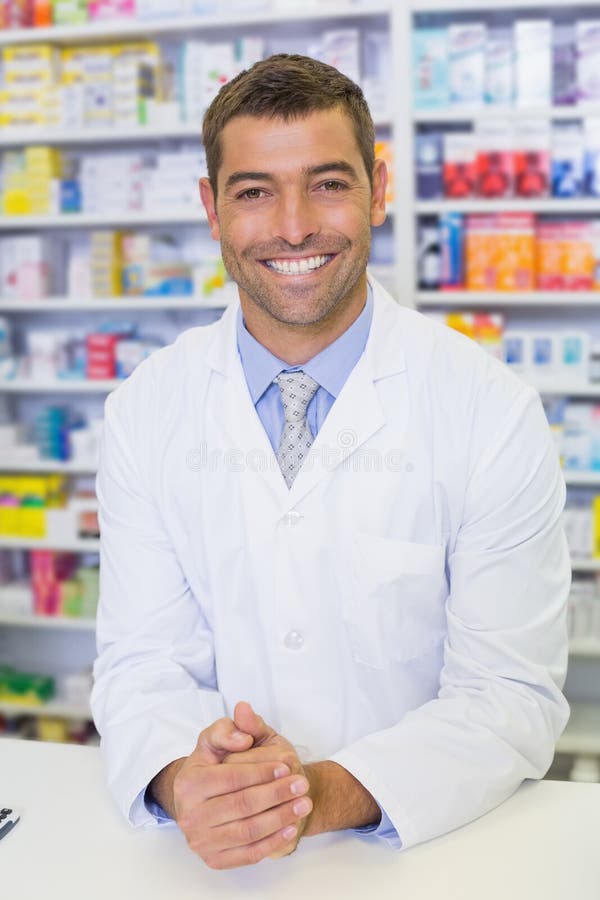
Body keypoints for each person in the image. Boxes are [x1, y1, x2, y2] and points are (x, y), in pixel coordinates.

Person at [91, 54, 571, 871]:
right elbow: (142, 663)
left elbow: (509, 697)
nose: (292, 226)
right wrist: (184, 781)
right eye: (253, 191)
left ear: (378, 189)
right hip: (212, 867)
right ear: (211, 208)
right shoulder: (146, 409)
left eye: (328, 183)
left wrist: (309, 795)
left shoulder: (490, 409)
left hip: (427, 853)